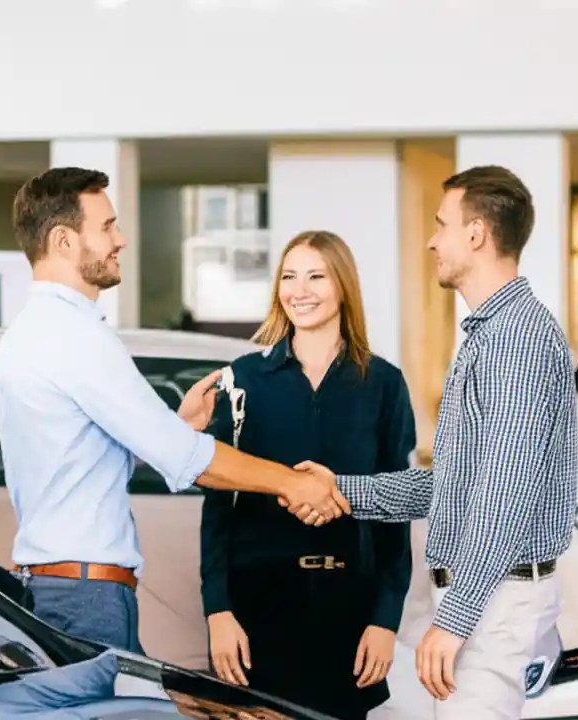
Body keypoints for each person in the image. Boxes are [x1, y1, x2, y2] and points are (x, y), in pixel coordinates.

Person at [0, 166, 351, 654]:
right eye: (106, 227)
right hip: (85, 600)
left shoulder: (26, 336)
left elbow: (78, 461)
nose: (120, 240)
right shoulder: (74, 338)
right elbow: (186, 458)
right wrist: (295, 482)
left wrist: (175, 425)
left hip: (61, 591)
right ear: (63, 241)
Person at [294, 165, 578, 719]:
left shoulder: (515, 341)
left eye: (442, 225)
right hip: (477, 592)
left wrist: (455, 619)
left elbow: (504, 494)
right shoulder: (490, 334)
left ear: (476, 234)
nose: (431, 240)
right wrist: (341, 489)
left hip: (493, 599)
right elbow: (455, 486)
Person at [200, 230, 415, 720]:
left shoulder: (382, 383)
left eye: (316, 276)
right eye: (289, 277)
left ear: (343, 286)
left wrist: (385, 619)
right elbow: (217, 502)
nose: (301, 290)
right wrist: (218, 610)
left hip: (347, 608)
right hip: (257, 607)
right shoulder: (245, 378)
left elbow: (397, 505)